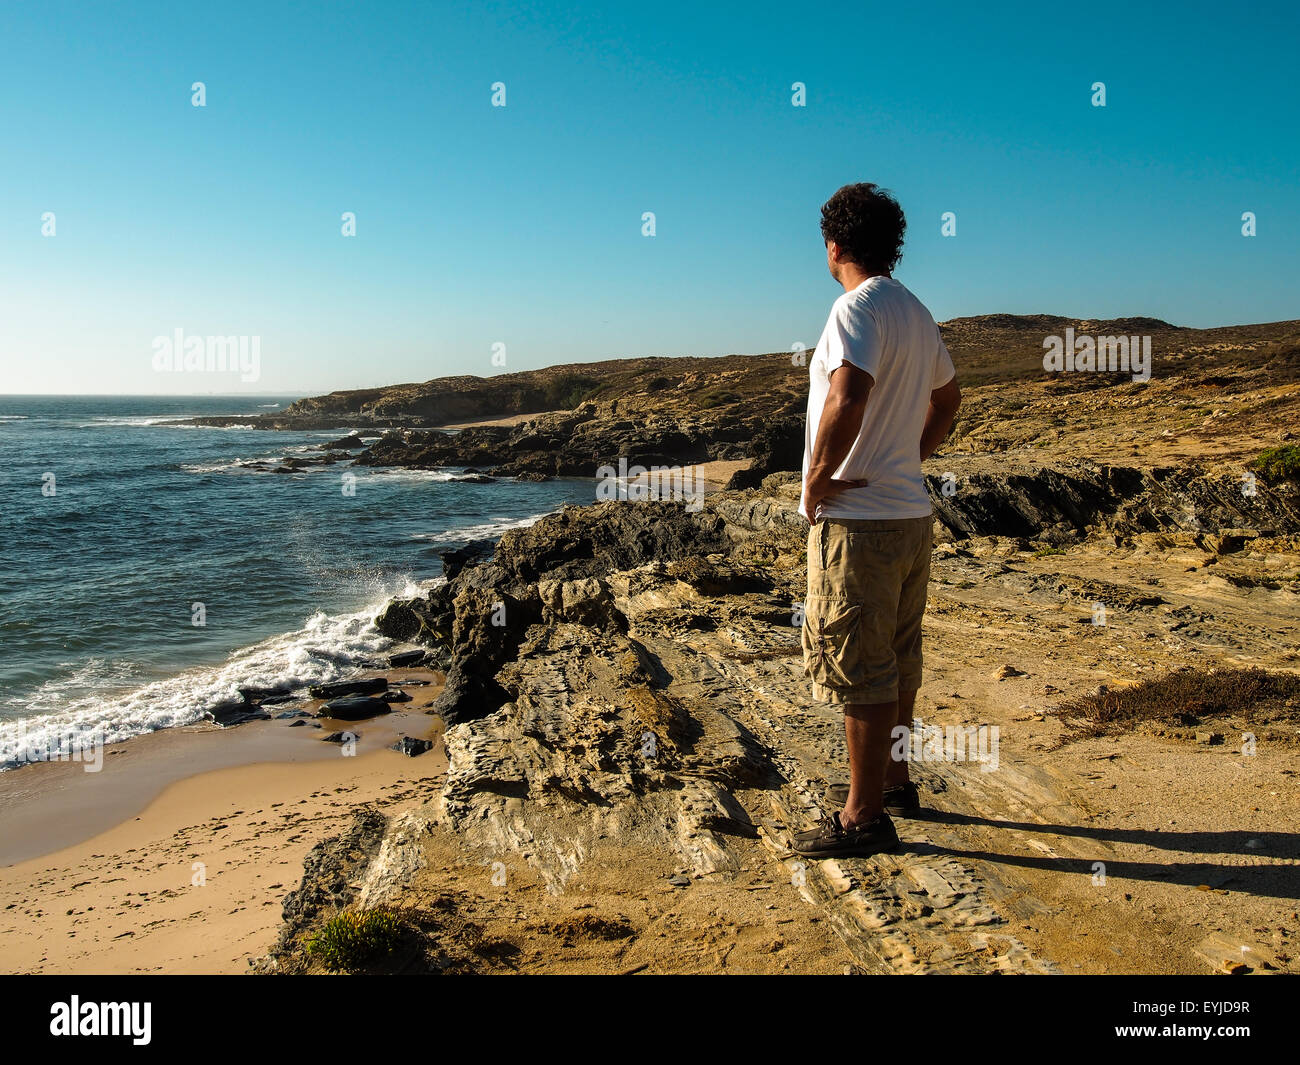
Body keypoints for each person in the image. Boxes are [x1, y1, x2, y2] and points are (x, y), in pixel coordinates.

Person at [793, 182, 962, 859]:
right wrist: (908, 457)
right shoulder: (916, 311)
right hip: (909, 513)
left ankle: (862, 817)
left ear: (835, 245)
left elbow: (848, 391)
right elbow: (948, 399)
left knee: (859, 663)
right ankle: (895, 781)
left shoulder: (853, 307)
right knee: (896, 655)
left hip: (858, 519)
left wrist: (816, 477)